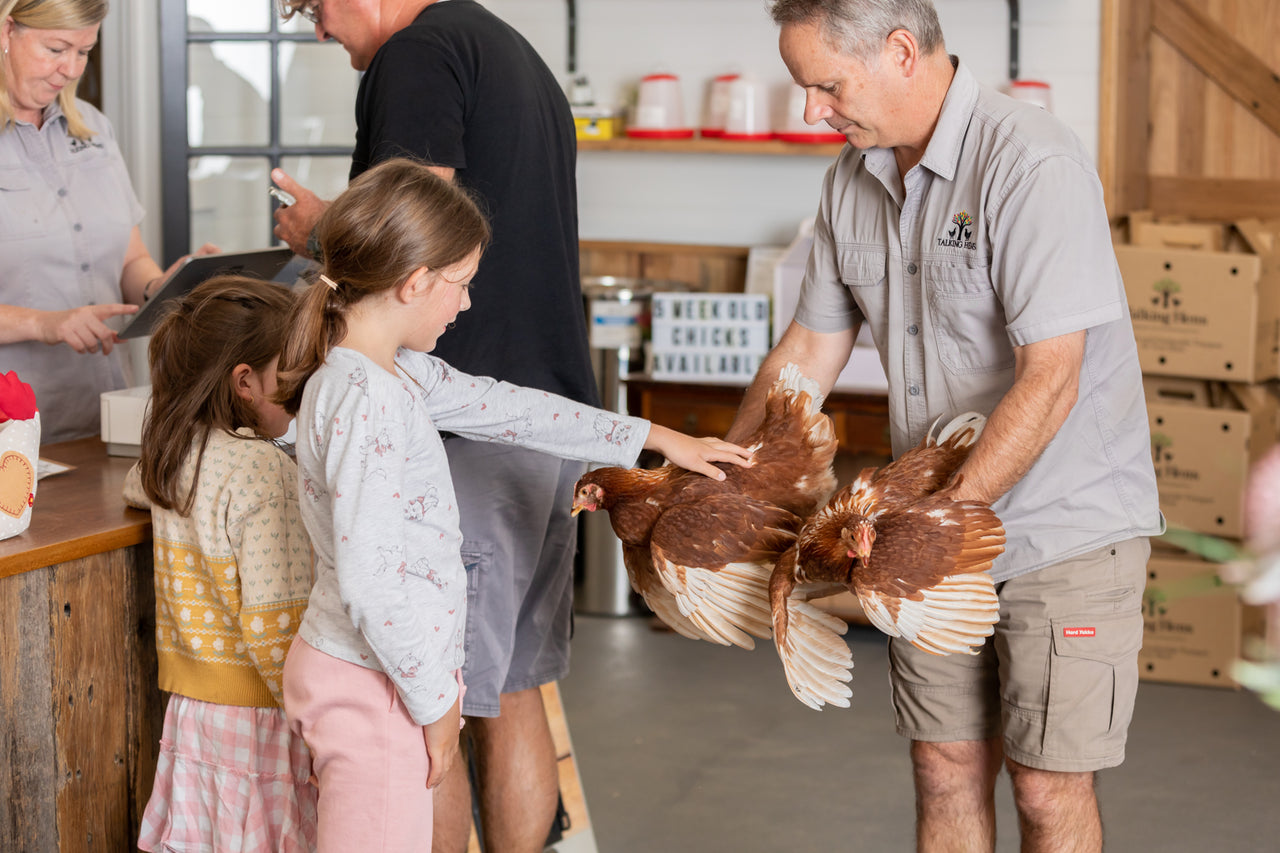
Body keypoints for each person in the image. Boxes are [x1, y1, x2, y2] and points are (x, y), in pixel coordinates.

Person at [726, 2, 1164, 851]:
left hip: (1062, 529)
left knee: (1044, 785)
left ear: (899, 52)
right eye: (803, 89)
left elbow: (1053, 375)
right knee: (945, 768)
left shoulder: (1031, 162)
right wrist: (737, 467)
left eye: (827, 85)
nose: (813, 110)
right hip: (927, 525)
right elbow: (810, 345)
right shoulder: (849, 182)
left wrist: (938, 524)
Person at [273, 157, 750, 852]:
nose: (465, 305)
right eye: (460, 286)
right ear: (413, 283)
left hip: (386, 675)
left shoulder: (390, 371)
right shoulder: (366, 400)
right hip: (373, 685)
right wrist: (437, 708)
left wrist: (651, 436)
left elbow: (510, 409)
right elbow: (371, 583)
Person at [271, 2, 598, 848]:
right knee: (512, 689)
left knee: (437, 710)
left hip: (465, 435)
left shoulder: (414, 58)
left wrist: (319, 232)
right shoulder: (510, 49)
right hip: (540, 423)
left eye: (312, 4)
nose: (316, 27)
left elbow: (409, 236)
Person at [123, 276, 317, 852]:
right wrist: (320, 724)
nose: (305, 383)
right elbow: (274, 624)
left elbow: (140, 484)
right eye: (294, 369)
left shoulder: (174, 457)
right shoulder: (265, 474)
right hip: (262, 715)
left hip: (195, 715)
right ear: (245, 381)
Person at [0, 0, 214, 443]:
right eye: (57, 48)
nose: (71, 69)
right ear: (6, 31)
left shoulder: (94, 130)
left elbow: (129, 258)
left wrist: (164, 286)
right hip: (12, 431)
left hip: (104, 416)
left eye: (84, 52)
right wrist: (45, 323)